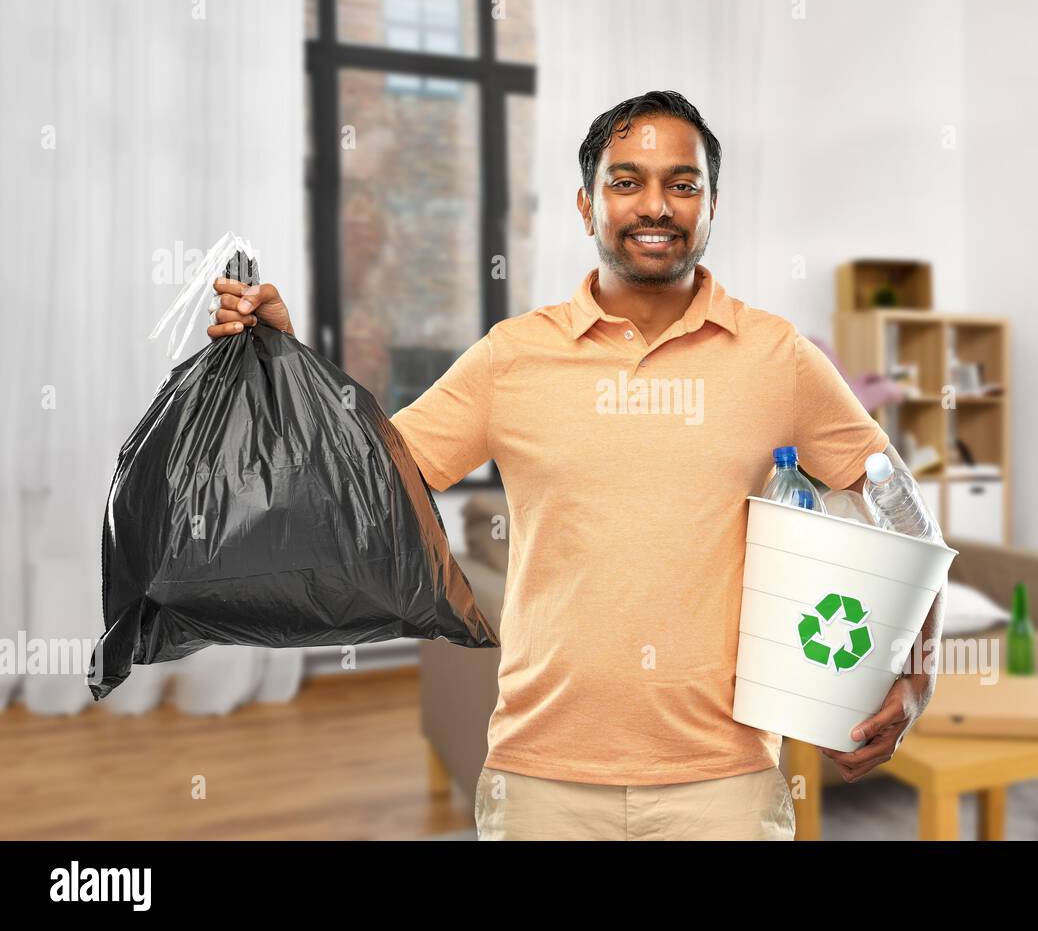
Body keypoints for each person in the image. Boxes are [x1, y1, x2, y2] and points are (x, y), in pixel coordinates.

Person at [208, 90, 946, 841]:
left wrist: (917, 675)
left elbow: (904, 512)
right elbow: (362, 486)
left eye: (681, 184)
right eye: (626, 182)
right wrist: (284, 368)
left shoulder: (777, 357)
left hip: (725, 784)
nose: (654, 205)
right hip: (541, 780)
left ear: (712, 205)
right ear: (587, 206)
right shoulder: (512, 357)